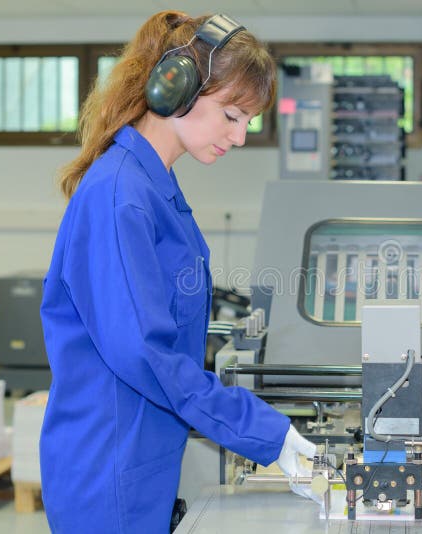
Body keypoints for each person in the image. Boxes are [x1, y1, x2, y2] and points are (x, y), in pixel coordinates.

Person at [39, 11, 316, 533]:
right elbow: (147, 354)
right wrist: (266, 433)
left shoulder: (154, 185)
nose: (238, 137)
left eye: (248, 123)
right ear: (176, 88)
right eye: (231, 115)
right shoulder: (121, 196)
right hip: (110, 474)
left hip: (142, 460)